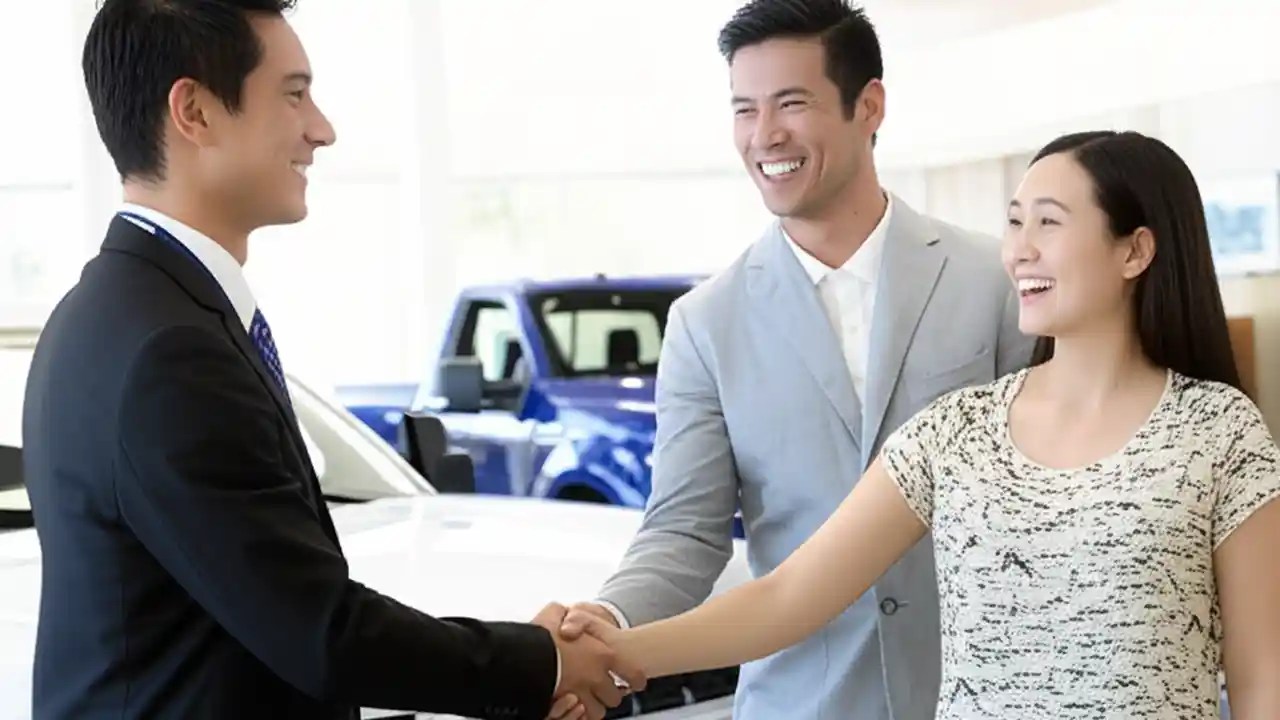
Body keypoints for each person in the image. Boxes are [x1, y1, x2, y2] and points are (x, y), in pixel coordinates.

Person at [21, 2, 640, 719]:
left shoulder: (108, 312)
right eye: (293, 94)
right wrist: (544, 662)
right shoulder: (170, 349)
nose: (322, 129)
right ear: (194, 111)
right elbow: (321, 634)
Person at [567, 130, 1280, 719]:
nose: (1019, 249)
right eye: (1014, 221)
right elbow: (789, 599)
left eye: (1049, 222)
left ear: (1135, 250)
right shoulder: (955, 432)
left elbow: (1261, 675)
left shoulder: (1218, 433)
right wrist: (604, 652)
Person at [551, 1, 1033, 719]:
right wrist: (606, 623)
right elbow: (684, 530)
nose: (764, 135)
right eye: (744, 110)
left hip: (982, 696)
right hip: (802, 702)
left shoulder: (993, 281)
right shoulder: (705, 323)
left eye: (791, 103)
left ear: (869, 106)